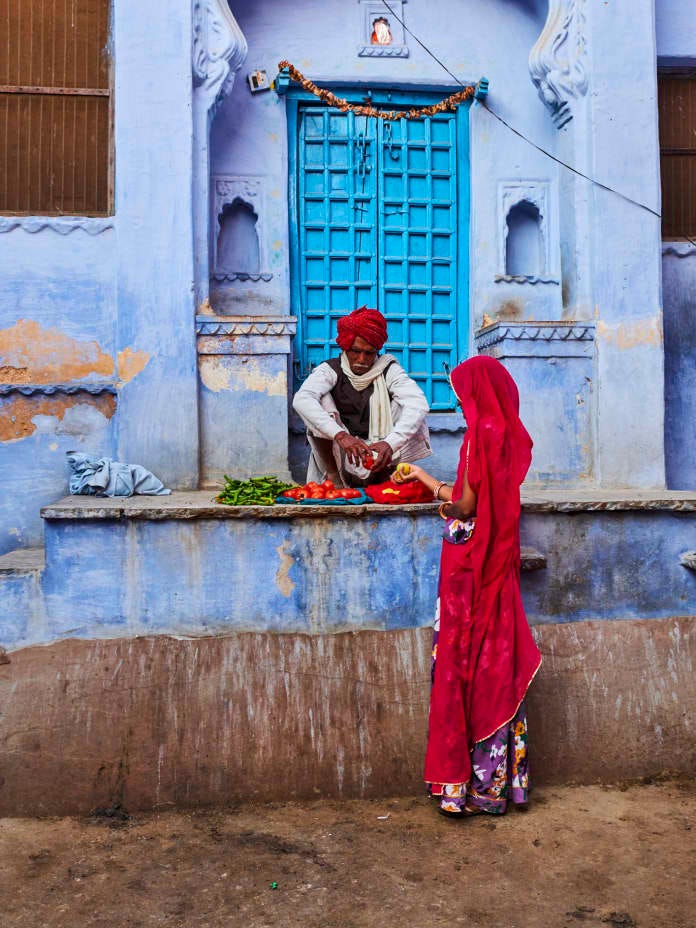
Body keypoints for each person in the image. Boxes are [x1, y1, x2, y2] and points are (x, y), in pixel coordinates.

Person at [394, 355, 541, 817]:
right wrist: (429, 481)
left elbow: (466, 506)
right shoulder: (506, 435)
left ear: (476, 393)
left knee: (460, 663)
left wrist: (432, 492)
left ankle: (460, 787)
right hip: (496, 563)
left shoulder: (479, 437)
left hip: (468, 567)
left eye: (461, 394)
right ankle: (495, 787)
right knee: (496, 665)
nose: (460, 403)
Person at [292, 306, 431, 487]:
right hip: (341, 451)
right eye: (355, 352)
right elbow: (301, 399)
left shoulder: (388, 369)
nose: (362, 360)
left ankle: (388, 477)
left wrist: (390, 443)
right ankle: (333, 477)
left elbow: (419, 404)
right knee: (319, 400)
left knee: (407, 405)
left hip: (380, 451)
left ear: (376, 351)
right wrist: (341, 436)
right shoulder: (331, 369)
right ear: (345, 348)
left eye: (369, 353)